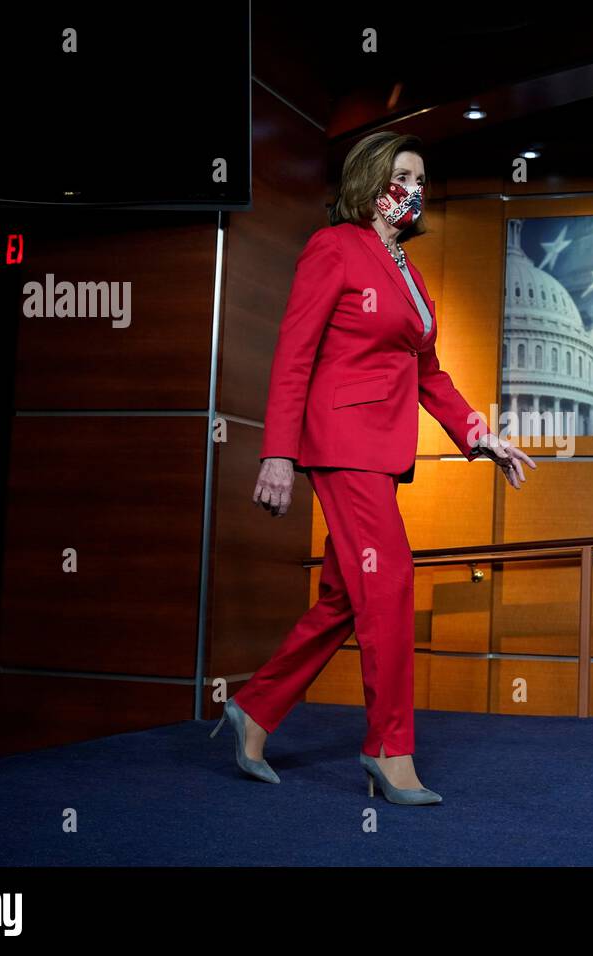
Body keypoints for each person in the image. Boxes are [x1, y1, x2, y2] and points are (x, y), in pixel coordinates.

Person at [210, 130, 536, 805]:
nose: (414, 188)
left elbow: (430, 375)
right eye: (403, 175)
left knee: (342, 599)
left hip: (382, 452)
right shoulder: (334, 248)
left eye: (421, 178)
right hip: (340, 444)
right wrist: (277, 452)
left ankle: (255, 710)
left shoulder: (409, 275)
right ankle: (389, 751)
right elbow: (294, 354)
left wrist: (482, 436)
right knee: (389, 584)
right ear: (371, 180)